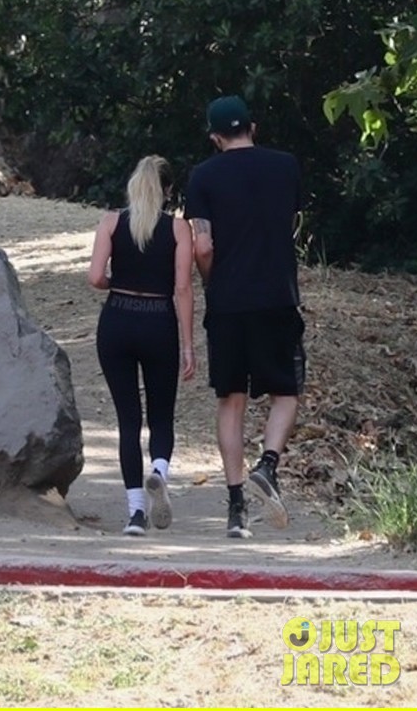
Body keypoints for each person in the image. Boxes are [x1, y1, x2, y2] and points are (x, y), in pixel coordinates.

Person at [184, 95, 305, 539]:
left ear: (215, 137)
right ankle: (268, 465)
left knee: (230, 400)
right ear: (253, 127)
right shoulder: (286, 166)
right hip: (277, 296)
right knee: (285, 393)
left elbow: (202, 246)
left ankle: (236, 509)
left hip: (229, 303)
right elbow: (288, 221)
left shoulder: (203, 176)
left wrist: (213, 282)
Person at [88, 155, 196, 536]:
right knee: (162, 414)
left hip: (116, 320)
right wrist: (188, 344)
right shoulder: (179, 230)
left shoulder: (111, 222)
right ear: (168, 191)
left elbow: (96, 276)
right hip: (158, 321)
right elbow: (183, 288)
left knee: (128, 421)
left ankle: (135, 514)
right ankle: (159, 471)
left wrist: (115, 283)